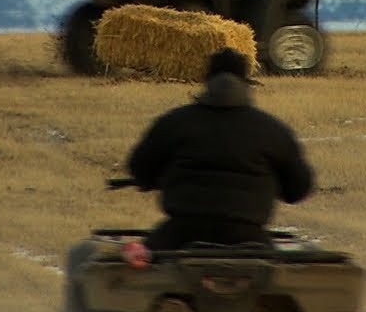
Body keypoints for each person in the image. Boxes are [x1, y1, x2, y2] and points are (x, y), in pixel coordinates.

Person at [127, 48, 314, 250]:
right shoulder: (273, 130)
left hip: (180, 234)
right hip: (248, 237)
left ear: (207, 80)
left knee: (139, 259)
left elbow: (140, 170)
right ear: (246, 82)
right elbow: (298, 189)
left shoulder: (174, 123)